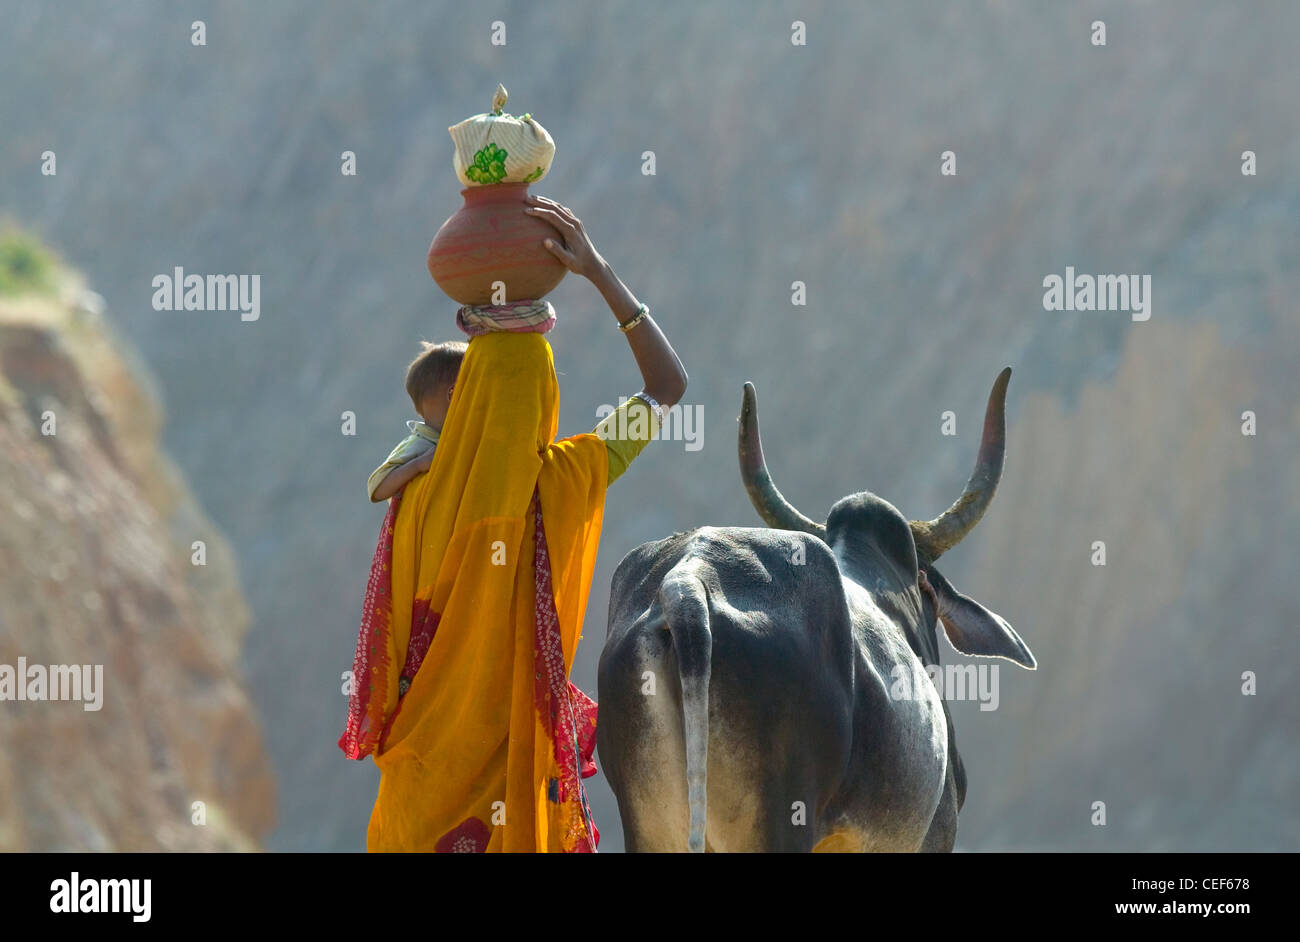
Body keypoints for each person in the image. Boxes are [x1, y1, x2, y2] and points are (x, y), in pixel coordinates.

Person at [340, 194, 687, 853]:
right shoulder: (561, 478)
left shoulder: (414, 489)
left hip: (418, 796)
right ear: (544, 400)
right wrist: (600, 272)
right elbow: (667, 387)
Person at [368, 341, 466, 502]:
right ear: (453, 393)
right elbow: (376, 488)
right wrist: (418, 464)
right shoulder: (421, 444)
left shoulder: (455, 437)